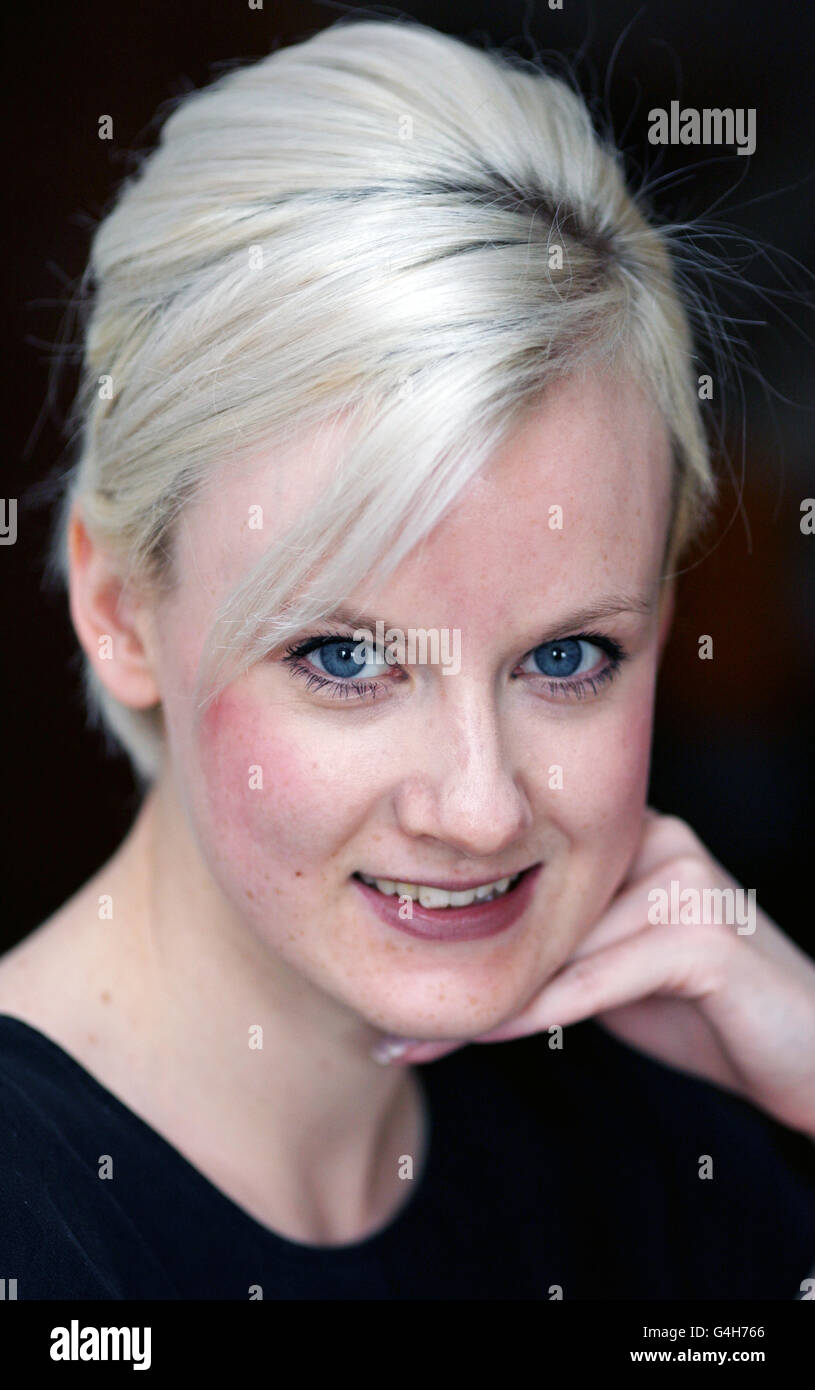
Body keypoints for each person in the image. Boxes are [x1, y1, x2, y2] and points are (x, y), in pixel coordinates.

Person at [1, 16, 813, 1301]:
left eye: (566, 657)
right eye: (342, 658)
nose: (481, 807)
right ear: (116, 606)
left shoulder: (667, 1131)